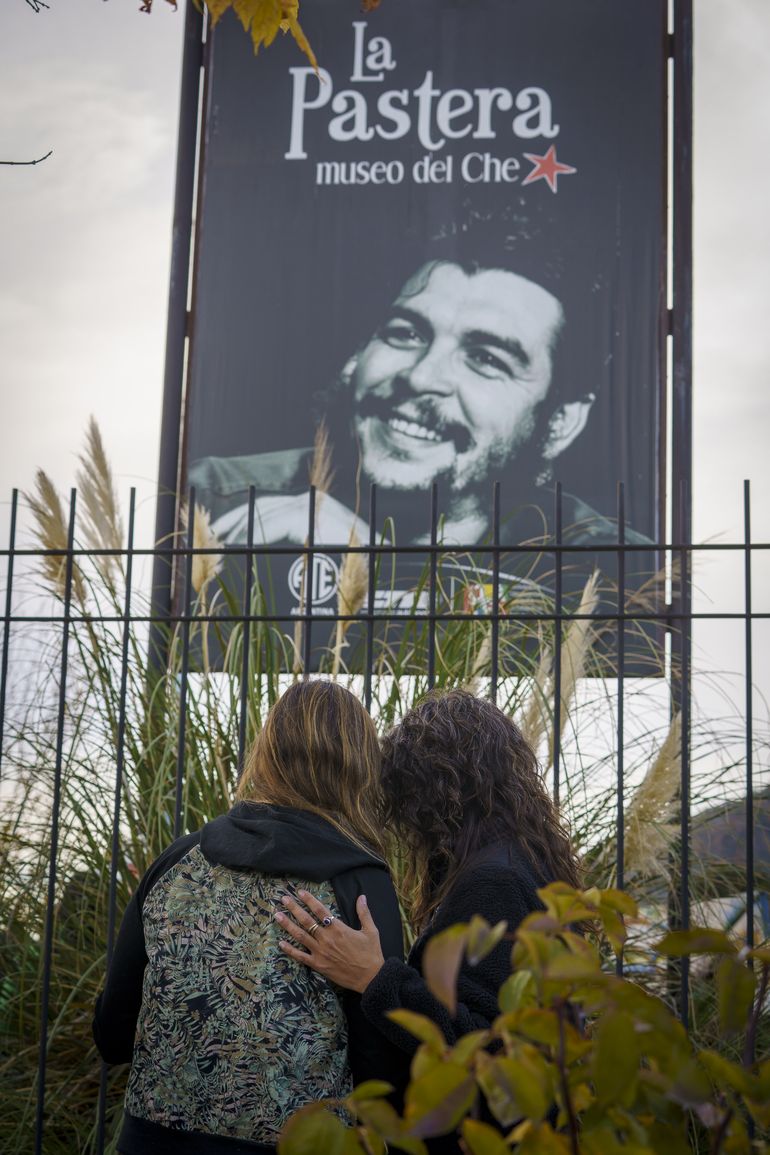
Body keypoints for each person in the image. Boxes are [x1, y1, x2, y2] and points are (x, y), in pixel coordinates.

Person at [189, 209, 650, 554]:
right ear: (356, 354)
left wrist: (367, 579)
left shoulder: (606, 567)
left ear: (561, 422)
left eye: (486, 359)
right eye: (405, 334)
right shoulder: (214, 499)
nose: (420, 376)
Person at [93, 681, 405, 1155]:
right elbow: (381, 1071)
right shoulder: (359, 882)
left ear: (267, 754)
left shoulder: (177, 861)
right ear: (360, 767)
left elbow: (112, 1035)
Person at [276, 689, 582, 1152]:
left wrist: (376, 978)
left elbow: (494, 1050)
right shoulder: (520, 861)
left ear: (432, 793)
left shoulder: (493, 881)